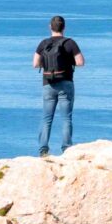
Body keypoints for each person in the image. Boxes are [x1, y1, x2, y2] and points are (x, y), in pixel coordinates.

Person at [34, 15, 84, 156]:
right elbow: (80, 62)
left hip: (48, 84)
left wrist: (47, 65)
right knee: (66, 118)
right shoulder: (70, 43)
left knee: (47, 118)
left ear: (50, 27)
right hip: (66, 82)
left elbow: (35, 64)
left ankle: (43, 150)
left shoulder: (43, 43)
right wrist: (67, 62)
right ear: (64, 27)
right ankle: (66, 148)